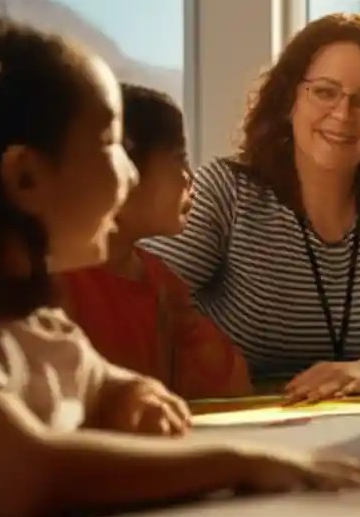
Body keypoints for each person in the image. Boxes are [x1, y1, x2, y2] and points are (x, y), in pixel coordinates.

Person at [0, 15, 360, 517]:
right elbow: (24, 474)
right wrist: (231, 461)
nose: (132, 174)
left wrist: (128, 394)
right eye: (110, 144)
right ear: (25, 177)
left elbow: (98, 380)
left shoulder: (37, 316)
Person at [145, 13, 360, 402]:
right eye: (325, 92)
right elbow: (133, 293)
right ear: (289, 97)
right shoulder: (228, 191)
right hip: (239, 426)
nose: (342, 115)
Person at [57, 84, 252, 399]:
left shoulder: (162, 282)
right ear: (121, 172)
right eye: (178, 158)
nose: (189, 177)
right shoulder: (54, 284)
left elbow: (229, 382)